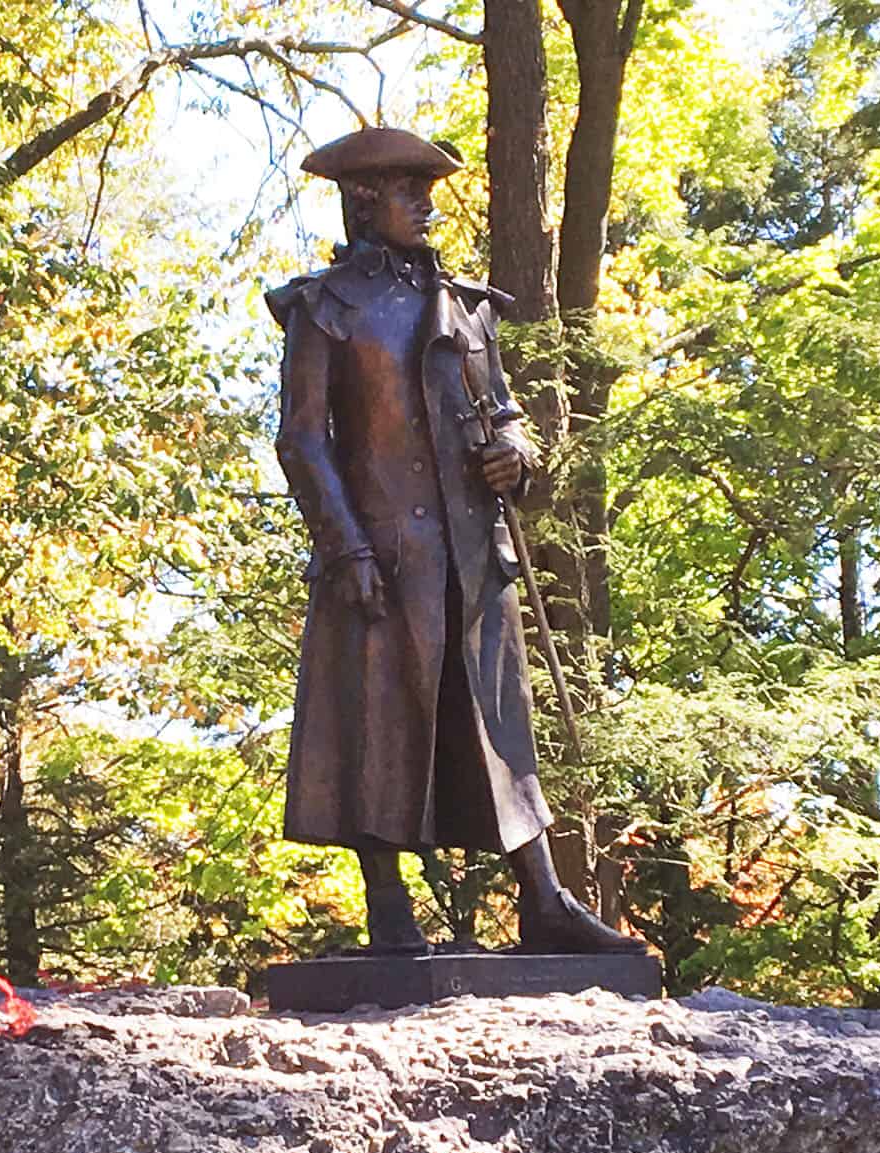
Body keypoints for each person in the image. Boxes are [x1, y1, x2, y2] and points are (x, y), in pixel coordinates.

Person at [267, 126, 640, 956]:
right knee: (376, 726)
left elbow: (502, 408)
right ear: (365, 201)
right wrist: (348, 550)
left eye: (427, 191)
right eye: (410, 191)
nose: (428, 206)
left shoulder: (466, 306)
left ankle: (543, 899)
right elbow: (302, 441)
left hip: (473, 555)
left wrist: (520, 453)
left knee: (499, 720)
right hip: (382, 553)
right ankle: (389, 907)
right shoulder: (323, 307)